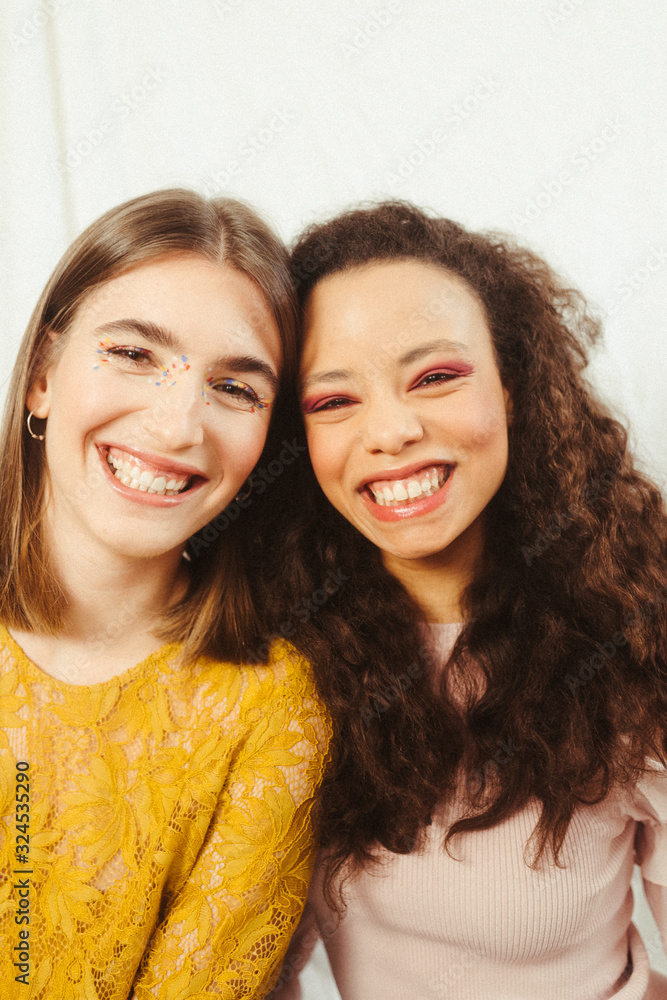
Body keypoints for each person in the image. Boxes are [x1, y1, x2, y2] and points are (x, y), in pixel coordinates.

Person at [267, 202, 667, 999]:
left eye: (435, 377)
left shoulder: (632, 632)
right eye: (332, 401)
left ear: (512, 388)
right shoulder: (277, 648)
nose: (390, 431)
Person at [0, 189, 329, 997]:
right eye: (134, 354)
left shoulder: (272, 711)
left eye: (236, 389)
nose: (178, 424)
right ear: (42, 376)